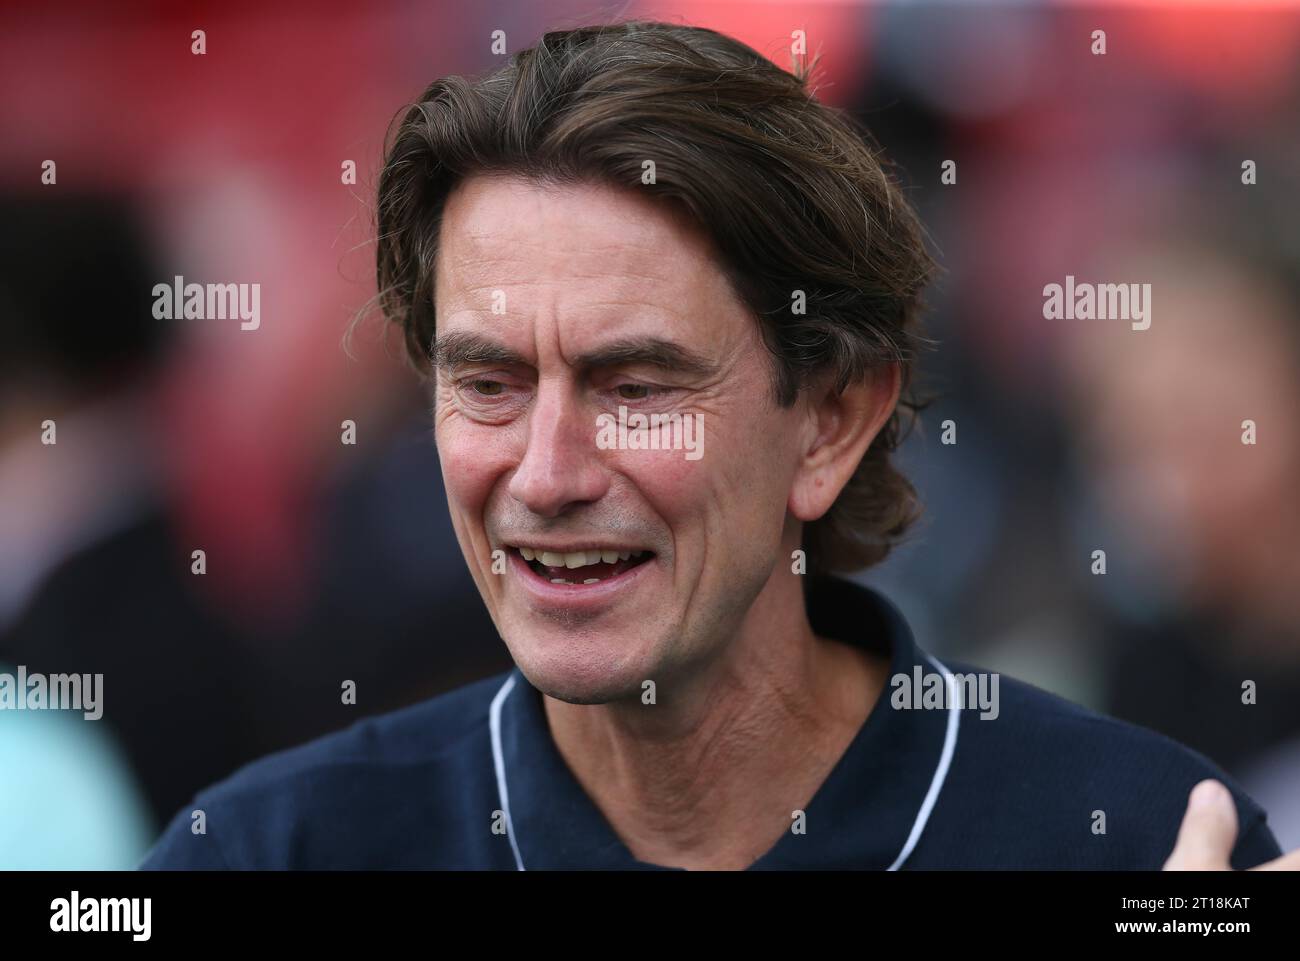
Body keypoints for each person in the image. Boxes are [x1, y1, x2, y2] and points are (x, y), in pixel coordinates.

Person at [141, 21, 1294, 871]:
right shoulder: (261, 854)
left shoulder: (1146, 848)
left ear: (831, 422)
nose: (543, 475)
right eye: (487, 384)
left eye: (635, 385)